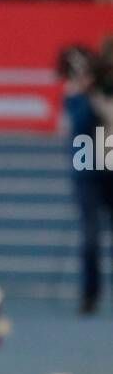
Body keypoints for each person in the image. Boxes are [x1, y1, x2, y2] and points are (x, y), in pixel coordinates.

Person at [58, 44, 113, 313]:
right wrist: (88, 96)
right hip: (88, 173)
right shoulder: (75, 94)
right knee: (90, 238)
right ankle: (90, 295)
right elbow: (79, 125)